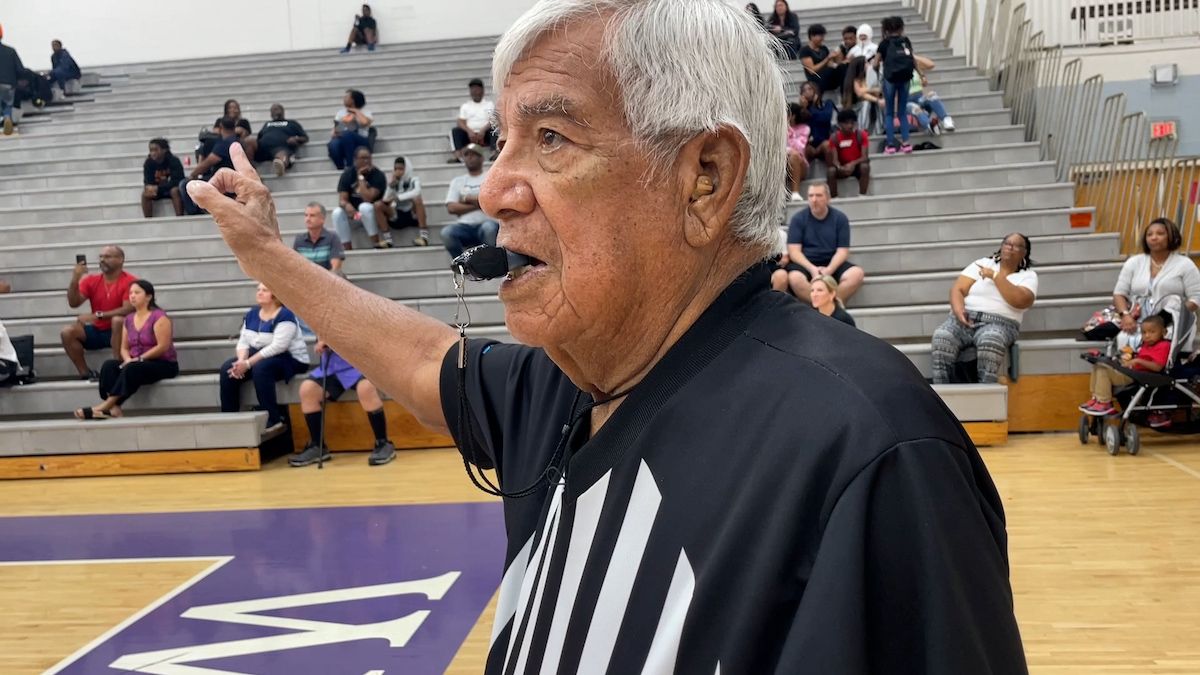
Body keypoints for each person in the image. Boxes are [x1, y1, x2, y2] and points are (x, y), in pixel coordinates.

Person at [187, 1, 1027, 670]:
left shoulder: (870, 451)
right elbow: (422, 360)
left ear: (704, 179)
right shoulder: (569, 378)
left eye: (551, 138)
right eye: (505, 140)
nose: (493, 189)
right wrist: (268, 255)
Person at [930, 233, 1038, 384]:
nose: (1010, 247)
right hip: (966, 318)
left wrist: (995, 276)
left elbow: (1021, 301)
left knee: (991, 341)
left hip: (1001, 323)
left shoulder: (1028, 276)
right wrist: (959, 310)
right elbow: (958, 289)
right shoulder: (983, 263)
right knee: (942, 337)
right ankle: (943, 391)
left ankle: (986, 390)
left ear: (1024, 252)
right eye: (1007, 243)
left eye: (1016, 245)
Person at [75, 280, 179, 419]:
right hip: (136, 362)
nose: (132, 296)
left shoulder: (159, 317)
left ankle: (105, 406)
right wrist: (128, 359)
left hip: (162, 363)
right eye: (130, 293)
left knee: (132, 368)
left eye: (137, 293)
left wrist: (139, 359)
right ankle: (115, 409)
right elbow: (124, 347)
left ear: (148, 296)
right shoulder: (129, 319)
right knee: (109, 366)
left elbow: (162, 346)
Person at [219, 283, 310, 433]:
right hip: (260, 356)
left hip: (291, 359)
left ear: (275, 295)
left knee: (261, 368)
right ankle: (229, 417)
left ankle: (273, 418)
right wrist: (241, 361)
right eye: (258, 290)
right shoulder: (252, 313)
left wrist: (248, 363)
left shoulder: (285, 315)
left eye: (265, 290)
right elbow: (243, 341)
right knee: (228, 368)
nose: (259, 293)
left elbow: (278, 346)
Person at [291, 338, 397, 467]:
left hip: (359, 365)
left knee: (365, 388)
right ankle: (317, 446)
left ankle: (383, 443)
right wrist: (322, 343)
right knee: (307, 390)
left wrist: (334, 342)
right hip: (332, 367)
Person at [1112, 217, 1200, 351]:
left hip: (1172, 322)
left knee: (1165, 342)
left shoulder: (1185, 264)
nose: (1154, 237)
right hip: (1137, 321)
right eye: (1149, 234)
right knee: (1125, 339)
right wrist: (1125, 315)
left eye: (1160, 233)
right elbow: (1119, 293)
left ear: (1171, 236)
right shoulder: (1134, 262)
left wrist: (1167, 318)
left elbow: (1196, 298)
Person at [62, 246, 137, 381]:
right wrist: (75, 279)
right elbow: (73, 303)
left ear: (120, 259)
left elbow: (128, 309)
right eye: (101, 257)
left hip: (123, 331)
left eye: (107, 257)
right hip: (98, 330)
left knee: (117, 321)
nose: (102, 260)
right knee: (67, 332)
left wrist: (98, 315)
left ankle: (118, 368)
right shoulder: (92, 280)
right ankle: (85, 373)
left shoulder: (130, 281)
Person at [786, 183, 865, 302]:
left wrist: (829, 270)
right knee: (795, 278)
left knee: (856, 274)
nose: (814, 200)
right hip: (806, 263)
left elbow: (843, 251)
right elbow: (794, 252)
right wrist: (812, 269)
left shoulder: (840, 218)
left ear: (828, 198)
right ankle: (820, 306)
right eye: (811, 196)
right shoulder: (798, 219)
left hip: (832, 262)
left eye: (818, 195)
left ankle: (832, 305)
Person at [1079, 314, 1170, 417]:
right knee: (1098, 365)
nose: (1147, 336)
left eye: (1152, 332)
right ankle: (1096, 398)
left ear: (1164, 332)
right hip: (1133, 372)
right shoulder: (1147, 345)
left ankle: (1104, 402)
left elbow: (1158, 367)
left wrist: (1138, 361)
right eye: (1144, 332)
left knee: (1103, 370)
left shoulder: (1163, 345)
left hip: (1140, 376)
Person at [441, 143, 498, 258]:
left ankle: (490, 263)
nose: (470, 158)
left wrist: (466, 198)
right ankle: (462, 264)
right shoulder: (457, 181)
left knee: (489, 229)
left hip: (487, 224)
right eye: (466, 155)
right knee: (446, 233)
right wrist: (480, 203)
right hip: (464, 227)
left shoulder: (491, 178)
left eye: (474, 155)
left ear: (481, 158)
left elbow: (493, 201)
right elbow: (451, 208)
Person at [332, 146, 390, 249]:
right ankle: (347, 249)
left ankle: (376, 243)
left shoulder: (378, 175)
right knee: (337, 213)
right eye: (363, 158)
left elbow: (368, 198)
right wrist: (347, 205)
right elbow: (342, 199)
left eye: (368, 158)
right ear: (355, 160)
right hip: (357, 216)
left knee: (364, 207)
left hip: (374, 216)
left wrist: (360, 177)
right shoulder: (347, 174)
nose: (366, 161)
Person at [180, 117, 239, 215]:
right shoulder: (238, 141)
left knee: (184, 184)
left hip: (225, 180)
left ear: (221, 127)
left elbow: (208, 162)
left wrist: (193, 175)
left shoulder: (224, 143)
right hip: (234, 179)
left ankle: (196, 213)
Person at [876, 15, 916, 154]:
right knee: (902, 112)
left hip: (890, 79)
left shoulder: (884, 43)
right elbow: (912, 59)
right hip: (905, 79)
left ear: (886, 29)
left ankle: (891, 145)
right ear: (901, 28)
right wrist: (921, 75)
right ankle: (906, 144)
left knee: (889, 113)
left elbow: (875, 63)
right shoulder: (906, 41)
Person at [377, 156, 430, 246]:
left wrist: (398, 197)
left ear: (407, 168)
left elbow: (417, 191)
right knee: (378, 205)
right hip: (397, 215)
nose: (398, 171)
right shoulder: (394, 182)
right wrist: (391, 186)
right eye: (396, 169)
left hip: (412, 215)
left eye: (401, 169)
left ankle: (424, 238)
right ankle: (388, 241)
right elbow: (385, 199)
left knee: (417, 199)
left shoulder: (414, 179)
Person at [451, 78, 497, 163]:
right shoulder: (466, 106)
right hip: (470, 136)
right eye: (472, 89)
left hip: (485, 135)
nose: (475, 91)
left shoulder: (489, 104)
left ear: (482, 90)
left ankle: (494, 153)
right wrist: (469, 131)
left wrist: (483, 130)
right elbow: (460, 121)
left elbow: (493, 120)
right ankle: (457, 156)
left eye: (477, 89)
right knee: (455, 131)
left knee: (495, 129)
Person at [255, 103, 308, 177]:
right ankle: (246, 165)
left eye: (276, 109)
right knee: (249, 141)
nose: (274, 111)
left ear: (282, 111)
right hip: (263, 149)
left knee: (281, 155)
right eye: (272, 110)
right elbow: (259, 137)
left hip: (280, 148)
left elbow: (305, 138)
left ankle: (281, 166)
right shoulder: (267, 124)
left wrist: (296, 139)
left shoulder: (291, 123)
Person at [828, 108, 870, 198]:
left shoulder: (861, 135)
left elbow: (865, 157)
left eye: (852, 123)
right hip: (842, 167)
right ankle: (834, 198)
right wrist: (840, 167)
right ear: (839, 124)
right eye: (846, 123)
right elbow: (835, 160)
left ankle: (862, 195)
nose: (850, 126)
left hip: (857, 166)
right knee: (831, 171)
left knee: (865, 167)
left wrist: (852, 164)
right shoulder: (834, 138)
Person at [328, 89, 373, 170]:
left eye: (346, 97)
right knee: (333, 144)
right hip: (343, 140)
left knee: (347, 134)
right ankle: (340, 167)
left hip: (361, 141)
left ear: (353, 100)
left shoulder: (365, 112)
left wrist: (355, 112)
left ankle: (350, 165)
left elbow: (364, 122)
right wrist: (344, 123)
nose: (344, 99)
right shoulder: (341, 113)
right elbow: (334, 132)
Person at [293, 202, 345, 273]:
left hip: (328, 278)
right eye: (306, 215)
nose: (308, 219)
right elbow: (295, 266)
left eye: (312, 215)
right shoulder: (299, 240)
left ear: (322, 219)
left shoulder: (333, 238)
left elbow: (335, 268)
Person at [141, 138, 185, 218]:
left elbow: (178, 180)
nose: (153, 153)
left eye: (155, 150)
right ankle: (148, 219)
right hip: (157, 190)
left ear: (164, 150)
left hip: (170, 189)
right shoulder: (148, 163)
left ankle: (179, 217)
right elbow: (147, 181)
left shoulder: (174, 161)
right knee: (145, 194)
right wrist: (150, 187)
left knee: (175, 191)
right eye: (151, 150)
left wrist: (159, 188)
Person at [799, 81, 836, 172]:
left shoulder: (827, 104)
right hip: (809, 145)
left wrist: (813, 106)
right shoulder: (802, 110)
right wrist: (803, 109)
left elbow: (825, 118)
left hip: (823, 142)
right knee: (801, 149)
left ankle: (832, 173)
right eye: (804, 90)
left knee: (827, 145)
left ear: (816, 91)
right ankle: (802, 177)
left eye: (810, 89)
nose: (807, 92)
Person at [799, 24, 846, 94]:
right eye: (820, 36)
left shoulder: (823, 48)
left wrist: (838, 61)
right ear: (812, 36)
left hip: (828, 76)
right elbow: (812, 70)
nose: (822, 39)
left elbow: (830, 64)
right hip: (816, 79)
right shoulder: (805, 51)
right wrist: (827, 59)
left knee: (843, 68)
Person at [842, 56, 882, 135]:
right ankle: (862, 129)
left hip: (864, 105)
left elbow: (867, 92)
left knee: (876, 103)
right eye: (866, 63)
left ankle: (880, 129)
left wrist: (877, 98)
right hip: (854, 106)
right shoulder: (853, 78)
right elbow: (860, 93)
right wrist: (873, 91)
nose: (868, 64)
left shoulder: (865, 77)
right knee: (866, 103)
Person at [0, 24, 22, 136]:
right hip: (8, 84)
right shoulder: (10, 51)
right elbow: (19, 69)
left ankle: (1, 120)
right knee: (7, 104)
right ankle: (7, 117)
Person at [785, 103, 810, 201]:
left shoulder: (805, 128)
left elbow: (799, 148)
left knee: (794, 156)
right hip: (784, 163)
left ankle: (795, 192)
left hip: (799, 164)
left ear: (793, 116)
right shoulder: (780, 129)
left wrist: (790, 132)